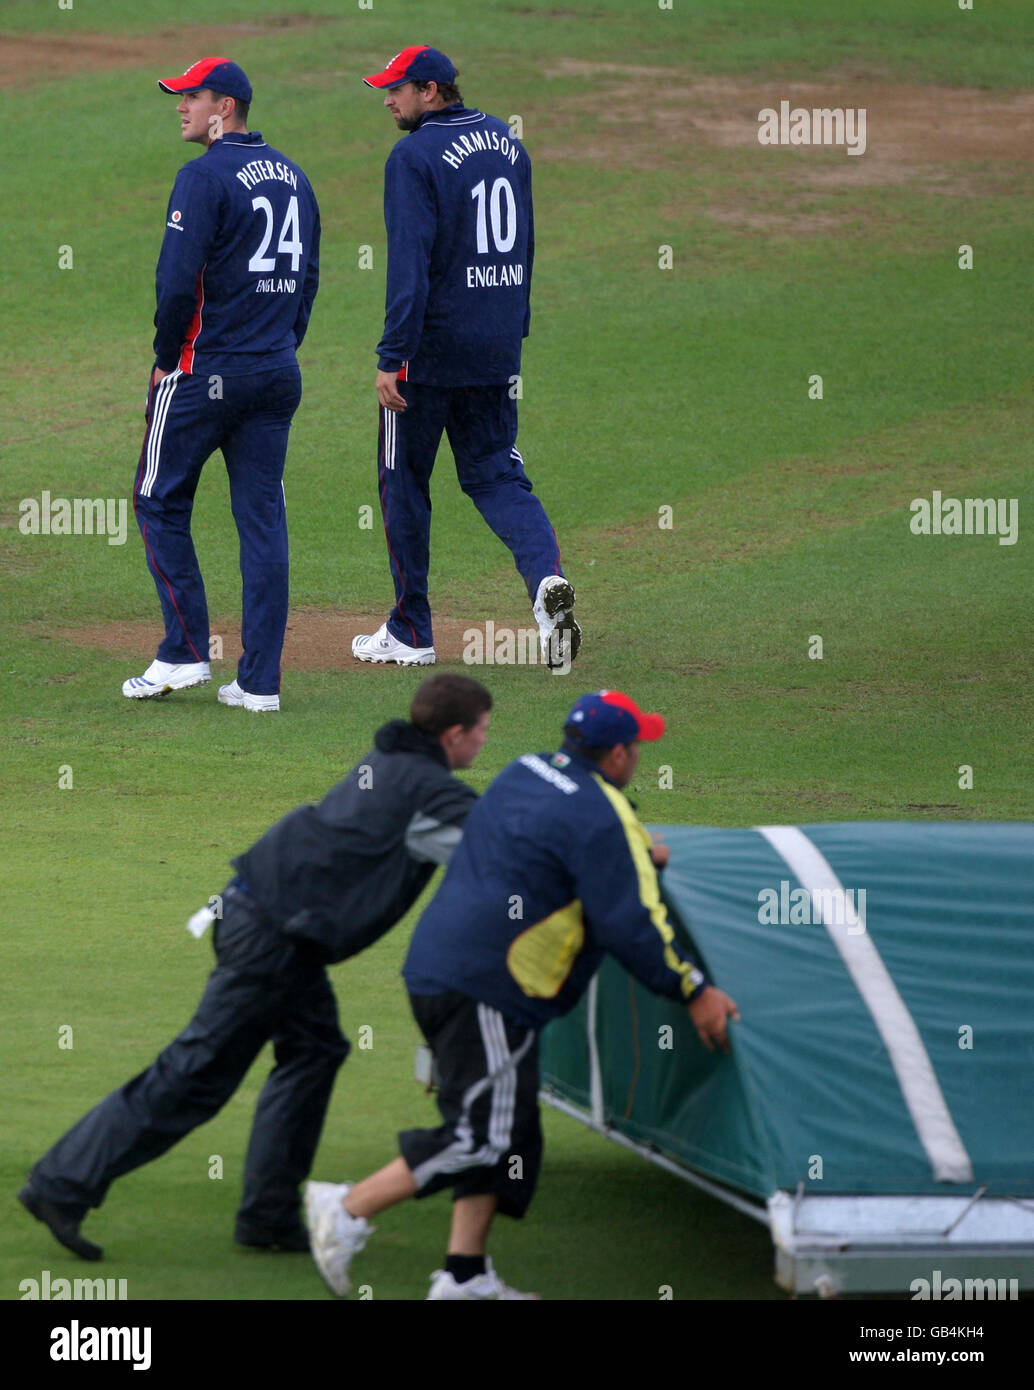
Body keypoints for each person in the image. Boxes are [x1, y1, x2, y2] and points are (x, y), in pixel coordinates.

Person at [19, 675, 493, 1260]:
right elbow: (504, 836)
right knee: (196, 1071)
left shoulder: (393, 756)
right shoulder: (428, 786)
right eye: (482, 732)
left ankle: (268, 1216)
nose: (484, 743)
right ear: (454, 735)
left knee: (314, 1050)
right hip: (273, 935)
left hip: (270, 922)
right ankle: (60, 1184)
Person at [305, 689, 741, 1299]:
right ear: (617, 755)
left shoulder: (526, 771)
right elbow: (632, 922)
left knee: (509, 1129)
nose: (638, 756)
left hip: (442, 970)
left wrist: (630, 851)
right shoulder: (602, 812)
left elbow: (547, 843)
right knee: (482, 1136)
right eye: (637, 746)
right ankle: (347, 1208)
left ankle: (465, 1276)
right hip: (488, 989)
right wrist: (693, 988)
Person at [351, 45, 580, 671]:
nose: (387, 100)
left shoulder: (413, 156)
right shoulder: (509, 144)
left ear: (431, 91)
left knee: (402, 482)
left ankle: (410, 630)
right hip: (495, 345)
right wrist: (514, 331)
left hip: (429, 353)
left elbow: (409, 268)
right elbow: (524, 246)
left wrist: (393, 355)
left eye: (396, 89)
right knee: (497, 475)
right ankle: (545, 585)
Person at [123, 57, 320, 712]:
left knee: (156, 498)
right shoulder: (295, 177)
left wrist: (164, 357)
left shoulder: (203, 177)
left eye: (192, 96)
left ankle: (183, 652)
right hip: (275, 371)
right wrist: (280, 348)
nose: (181, 106)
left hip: (205, 370)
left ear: (226, 107)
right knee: (262, 521)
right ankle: (260, 683)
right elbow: (307, 280)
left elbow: (176, 283)